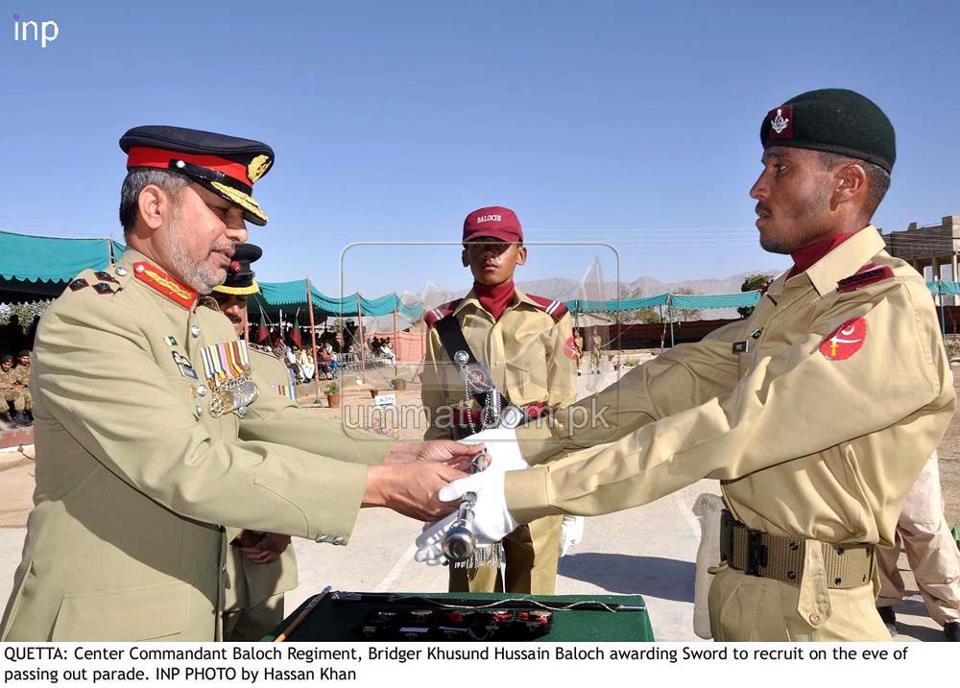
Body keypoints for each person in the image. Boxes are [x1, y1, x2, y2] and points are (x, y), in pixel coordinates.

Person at [418, 89, 956, 641]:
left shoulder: (883, 305)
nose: (757, 186)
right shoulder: (796, 297)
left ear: (846, 184)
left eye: (780, 167)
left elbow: (732, 430)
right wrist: (526, 445)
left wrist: (531, 491)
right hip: (745, 590)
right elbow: (673, 378)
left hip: (816, 617)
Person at [0, 125, 478, 642]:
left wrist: (403, 454)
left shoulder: (204, 323)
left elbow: (266, 419)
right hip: (101, 632)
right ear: (154, 208)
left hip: (193, 618)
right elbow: (186, 465)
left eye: (242, 218)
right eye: (222, 212)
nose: (240, 232)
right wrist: (384, 488)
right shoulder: (93, 318)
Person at [421, 205, 578, 594]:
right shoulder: (443, 325)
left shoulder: (550, 318)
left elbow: (565, 406)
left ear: (520, 254)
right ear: (464, 256)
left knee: (534, 580)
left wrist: (569, 490)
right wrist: (431, 480)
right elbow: (438, 409)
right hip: (470, 467)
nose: (489, 254)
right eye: (478, 246)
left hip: (533, 462)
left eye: (500, 246)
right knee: (474, 583)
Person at [209, 242, 298, 640]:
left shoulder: (270, 368)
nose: (233, 311)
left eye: (241, 302)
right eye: (221, 300)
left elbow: (289, 453)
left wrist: (284, 528)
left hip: (266, 552)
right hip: (210, 552)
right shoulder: (180, 368)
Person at [876, 451, 960, 641]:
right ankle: (882, 603)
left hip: (915, 438)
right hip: (866, 440)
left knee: (928, 527)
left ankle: (951, 611)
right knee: (880, 529)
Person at [0, 353, 31, 427]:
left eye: (9, 364)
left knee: (19, 392)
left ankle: (19, 416)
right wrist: (10, 386)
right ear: (2, 363)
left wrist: (23, 385)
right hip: (1, 391)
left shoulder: (13, 371)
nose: (7, 366)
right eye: (5, 364)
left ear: (11, 364)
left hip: (9, 392)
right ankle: (6, 418)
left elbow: (22, 379)